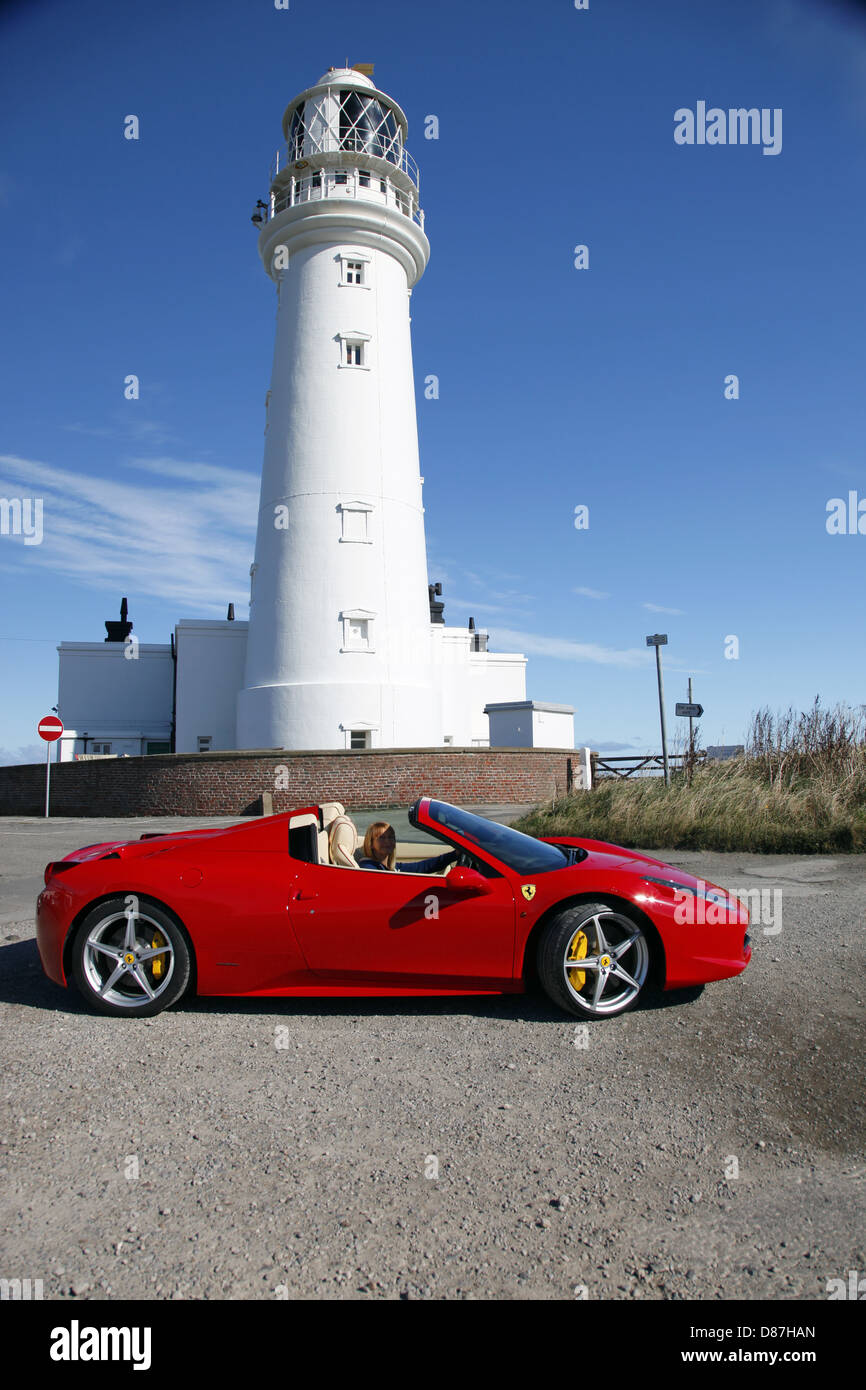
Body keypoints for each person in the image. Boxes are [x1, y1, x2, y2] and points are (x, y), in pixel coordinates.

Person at [359, 821, 457, 874]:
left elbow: (421, 867)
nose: (387, 841)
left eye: (391, 837)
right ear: (371, 843)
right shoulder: (369, 869)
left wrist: (455, 855)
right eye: (381, 838)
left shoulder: (392, 867)